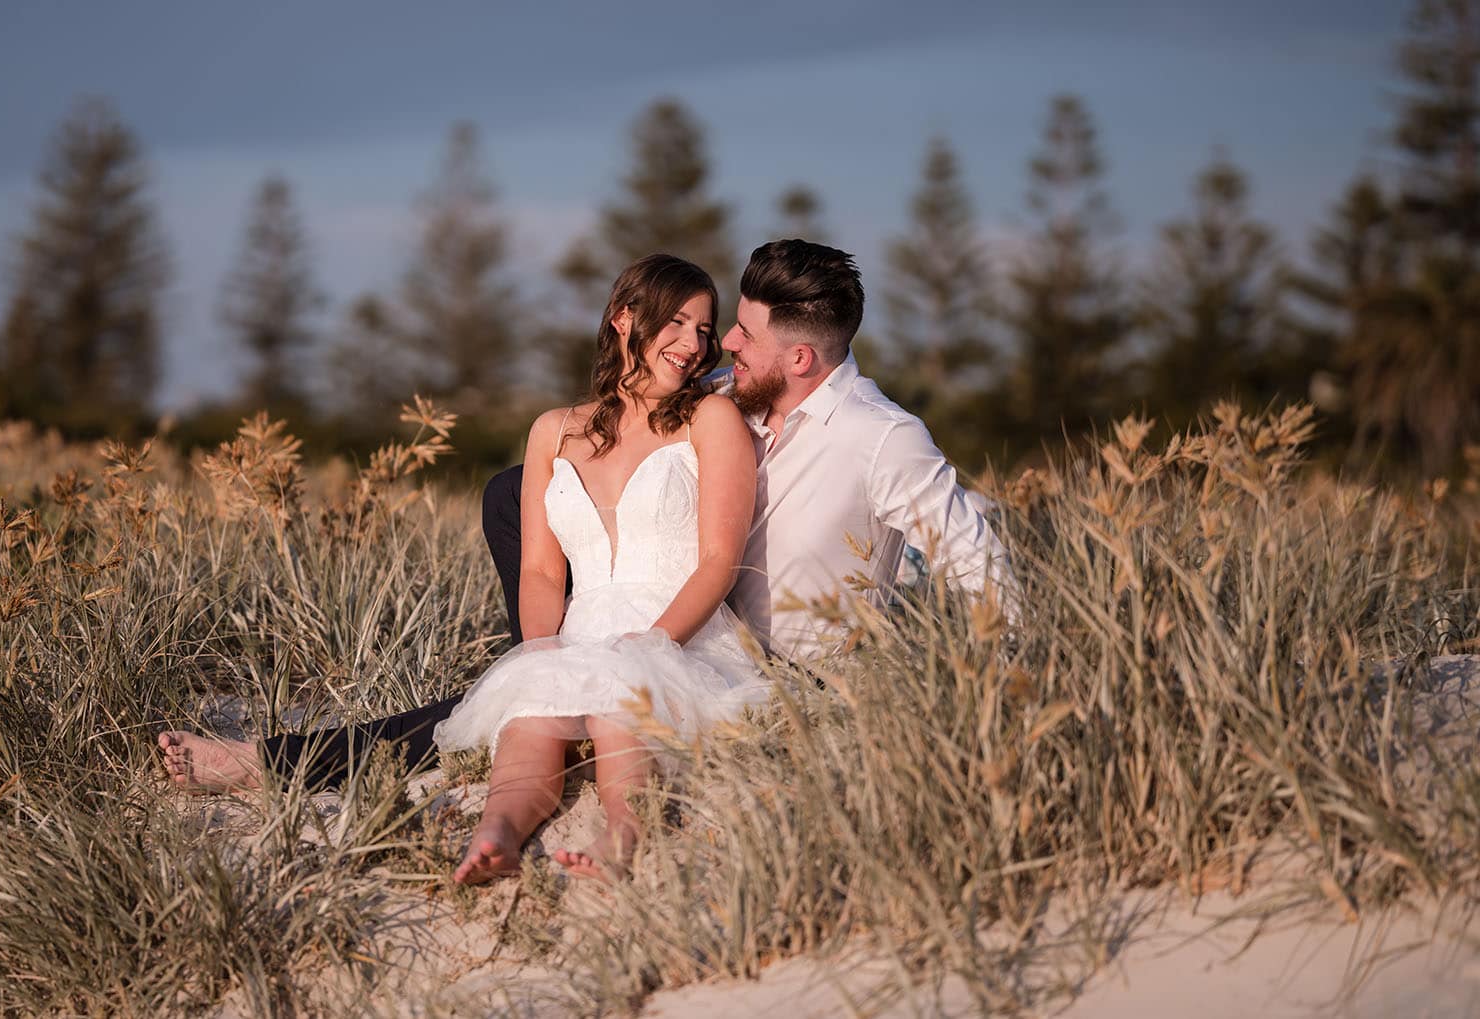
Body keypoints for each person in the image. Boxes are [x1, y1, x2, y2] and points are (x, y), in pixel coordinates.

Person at [157, 241, 1016, 855]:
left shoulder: (879, 437)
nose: (721, 347)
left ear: (798, 355)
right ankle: (532, 682)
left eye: (738, 335)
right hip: (649, 610)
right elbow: (636, 413)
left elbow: (974, 548)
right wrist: (548, 647)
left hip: (782, 665)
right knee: (508, 505)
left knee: (510, 700)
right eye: (714, 329)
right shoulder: (741, 396)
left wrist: (1000, 678)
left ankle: (284, 761)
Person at [165, 254, 768, 882]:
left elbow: (718, 561)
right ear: (624, 319)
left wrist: (655, 644)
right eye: (677, 322)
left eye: (704, 328)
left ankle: (620, 842)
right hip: (581, 626)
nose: (694, 344)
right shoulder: (553, 431)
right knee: (526, 721)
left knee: (621, 710)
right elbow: (537, 571)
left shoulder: (709, 419)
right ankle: (496, 834)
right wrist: (542, 654)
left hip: (678, 628)